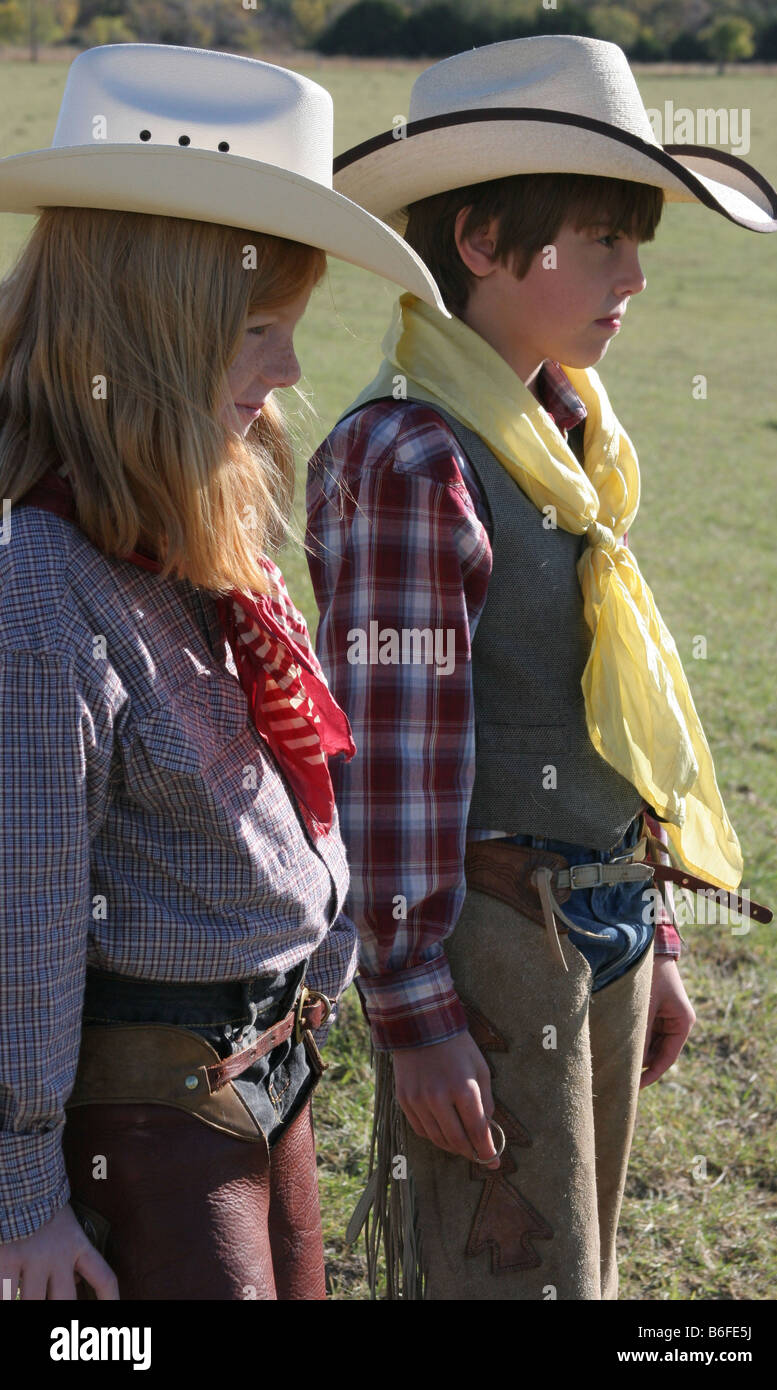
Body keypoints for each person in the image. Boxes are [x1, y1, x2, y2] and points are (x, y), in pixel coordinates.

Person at [306, 35, 777, 1300]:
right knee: (514, 1280)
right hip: (493, 935)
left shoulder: (564, 430)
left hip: (598, 910)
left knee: (590, 1265)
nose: (634, 278)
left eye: (638, 242)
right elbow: (392, 762)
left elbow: (613, 710)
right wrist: (414, 1015)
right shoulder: (414, 456)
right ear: (478, 241)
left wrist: (657, 926)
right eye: (600, 240)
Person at [0, 41, 444, 1301]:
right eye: (261, 330)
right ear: (149, 333)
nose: (292, 371)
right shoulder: (41, 578)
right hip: (145, 1124)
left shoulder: (196, 509)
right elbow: (19, 922)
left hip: (254, 1076)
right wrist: (22, 1200)